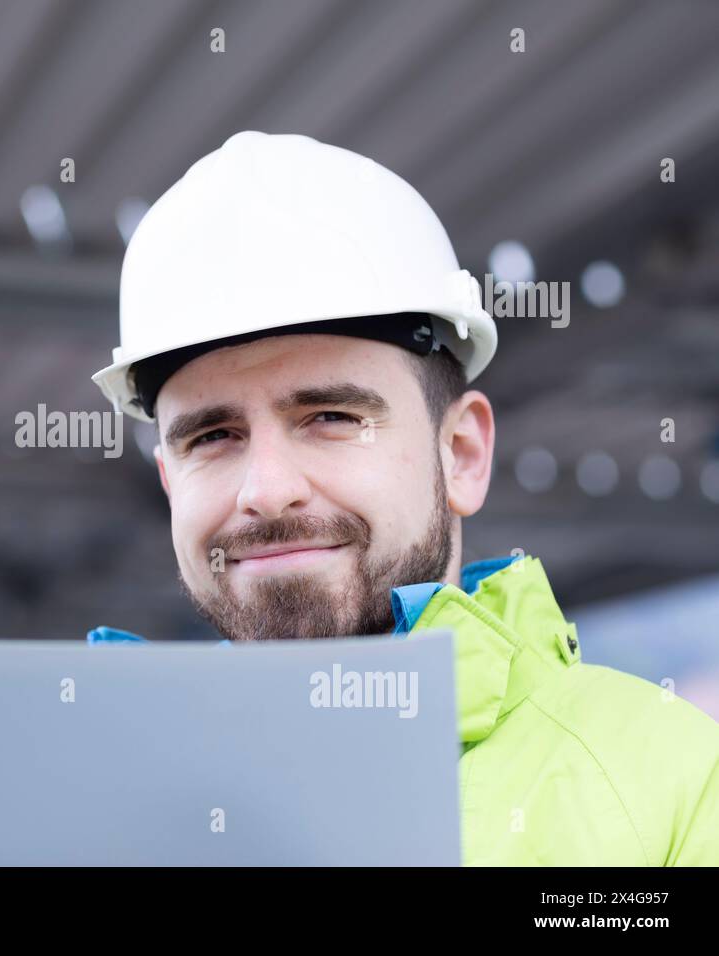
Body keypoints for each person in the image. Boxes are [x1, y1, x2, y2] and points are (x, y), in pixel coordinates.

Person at [86, 131, 719, 865]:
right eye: (212, 437)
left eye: (331, 418)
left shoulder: (675, 788)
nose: (267, 491)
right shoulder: (87, 810)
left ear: (463, 455)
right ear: (170, 482)